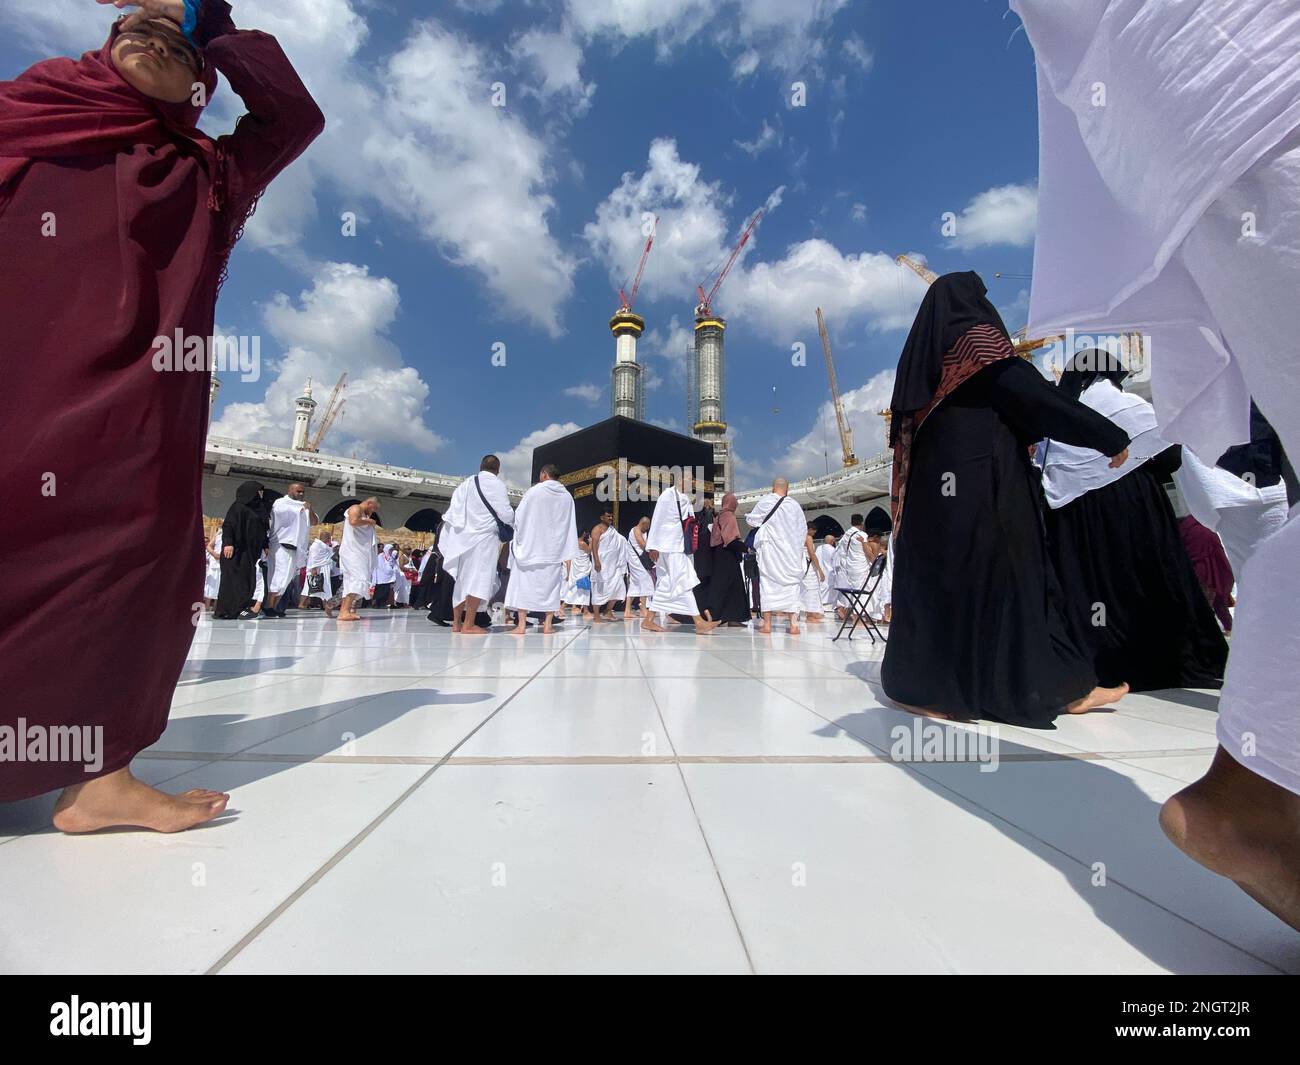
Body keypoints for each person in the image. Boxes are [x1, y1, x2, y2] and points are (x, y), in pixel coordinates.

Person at [0, 0, 324, 830]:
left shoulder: (206, 167)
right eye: (132, 30)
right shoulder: (32, 111)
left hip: (132, 410)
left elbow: (293, 116)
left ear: (198, 85)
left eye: (176, 46)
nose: (148, 40)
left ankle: (98, 777)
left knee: (125, 567)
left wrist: (207, 17)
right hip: (19, 379)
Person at [1012, 0, 1300, 929]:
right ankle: (1266, 794)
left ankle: (1268, 794)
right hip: (1241, 73)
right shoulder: (1101, 409)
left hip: (1181, 103)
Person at [881, 271, 1132, 725]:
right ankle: (1057, 687)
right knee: (1019, 579)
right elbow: (1029, 394)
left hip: (935, 501)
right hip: (984, 488)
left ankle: (923, 686)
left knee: (947, 588)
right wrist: (1106, 434)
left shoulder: (929, 364)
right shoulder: (976, 343)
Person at [1039, 349, 1228, 691]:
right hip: (1137, 507)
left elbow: (1052, 480)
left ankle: (1106, 664)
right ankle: (1162, 659)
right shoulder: (1128, 405)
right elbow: (1171, 456)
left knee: (1098, 585)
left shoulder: (1064, 417)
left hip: (1083, 518)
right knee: (1147, 577)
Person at [439, 455, 513, 635]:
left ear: (480, 466)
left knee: (462, 581)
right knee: (478, 580)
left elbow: (454, 510)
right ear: (497, 469)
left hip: (463, 538)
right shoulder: (497, 485)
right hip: (484, 538)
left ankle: (456, 623)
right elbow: (505, 514)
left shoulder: (465, 484)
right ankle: (469, 624)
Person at [642, 474, 720, 634]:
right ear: (680, 480)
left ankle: (648, 620)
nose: (692, 482)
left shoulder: (684, 497)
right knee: (684, 581)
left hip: (680, 546)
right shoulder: (668, 495)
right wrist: (652, 546)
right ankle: (699, 622)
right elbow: (657, 519)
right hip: (670, 547)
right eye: (689, 479)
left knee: (666, 583)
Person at [506, 464, 577, 635]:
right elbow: (568, 524)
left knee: (524, 586)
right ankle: (547, 626)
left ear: (544, 475)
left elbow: (520, 516)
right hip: (553, 550)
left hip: (531, 547)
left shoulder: (535, 491)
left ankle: (522, 625)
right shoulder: (567, 496)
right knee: (551, 589)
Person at [746, 477, 807, 635]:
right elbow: (802, 531)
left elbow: (752, 522)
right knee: (792, 586)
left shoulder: (766, 501)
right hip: (790, 555)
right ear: (787, 489)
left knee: (768, 585)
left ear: (773, 488)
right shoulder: (794, 506)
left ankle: (767, 625)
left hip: (771, 553)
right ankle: (793, 625)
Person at [213, 480, 268, 619]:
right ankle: (226, 611)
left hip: (250, 554)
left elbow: (263, 529)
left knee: (247, 581)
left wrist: (265, 544)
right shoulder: (238, 507)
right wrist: (228, 543)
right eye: (258, 491)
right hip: (235, 552)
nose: (260, 494)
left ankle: (240, 609)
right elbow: (229, 526)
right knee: (232, 581)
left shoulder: (260, 509)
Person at [1179, 514, 1235, 632]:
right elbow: (1219, 552)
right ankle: (1228, 628)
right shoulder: (1205, 527)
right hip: (1215, 572)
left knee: (1202, 607)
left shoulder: (1184, 531)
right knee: (1218, 603)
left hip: (1197, 574)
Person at [264, 483, 312, 618]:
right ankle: (268, 606)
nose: (301, 494)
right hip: (280, 546)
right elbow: (280, 514)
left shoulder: (304, 506)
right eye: (298, 491)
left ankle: (274, 607)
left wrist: (309, 509)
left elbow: (314, 521)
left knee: (286, 580)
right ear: (290, 490)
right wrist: (299, 509)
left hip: (296, 549)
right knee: (276, 578)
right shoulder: (281, 503)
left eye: (303, 492)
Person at [707, 493, 749, 625]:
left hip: (719, 554)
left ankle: (727, 617)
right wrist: (746, 548)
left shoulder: (719, 515)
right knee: (729, 586)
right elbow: (730, 539)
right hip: (727, 555)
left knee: (726, 586)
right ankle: (724, 617)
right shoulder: (729, 516)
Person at [338, 498, 380, 622]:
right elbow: (353, 521)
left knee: (354, 581)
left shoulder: (365, 514)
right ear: (370, 503)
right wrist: (369, 521)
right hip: (352, 552)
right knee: (358, 579)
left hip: (359, 553)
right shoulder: (356, 508)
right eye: (374, 508)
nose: (374, 511)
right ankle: (343, 612)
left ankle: (344, 610)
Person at [589, 511, 628, 622]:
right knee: (599, 589)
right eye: (608, 516)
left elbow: (620, 542)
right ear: (602, 517)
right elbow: (594, 547)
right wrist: (596, 561)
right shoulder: (597, 529)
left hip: (613, 566)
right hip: (601, 564)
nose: (611, 518)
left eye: (611, 516)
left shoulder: (612, 531)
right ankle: (596, 615)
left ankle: (608, 611)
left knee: (619, 588)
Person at [833, 514, 869, 619]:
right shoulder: (862, 535)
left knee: (850, 589)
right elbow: (866, 551)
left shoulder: (846, 534)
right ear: (862, 523)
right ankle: (856, 617)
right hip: (859, 565)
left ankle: (845, 610)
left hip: (847, 565)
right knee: (859, 590)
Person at [862, 507, 893, 623]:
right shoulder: (875, 545)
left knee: (876, 596)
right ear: (875, 537)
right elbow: (874, 559)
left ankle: (875, 616)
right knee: (880, 595)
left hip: (868, 573)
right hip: (877, 574)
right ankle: (882, 616)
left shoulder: (865, 544)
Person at [624, 516, 655, 621]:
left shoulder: (642, 531)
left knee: (634, 584)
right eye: (647, 527)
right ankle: (642, 609)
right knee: (646, 581)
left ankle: (627, 611)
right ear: (643, 524)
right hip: (636, 561)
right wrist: (653, 550)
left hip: (639, 561)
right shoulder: (636, 530)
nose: (647, 529)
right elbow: (642, 545)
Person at [303, 533, 338, 619]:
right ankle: (302, 604)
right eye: (329, 538)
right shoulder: (316, 546)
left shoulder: (323, 546)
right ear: (327, 538)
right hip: (319, 569)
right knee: (314, 589)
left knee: (325, 590)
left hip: (324, 569)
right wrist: (314, 569)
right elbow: (313, 558)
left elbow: (329, 554)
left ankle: (327, 608)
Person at [798, 523, 825, 624]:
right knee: (811, 588)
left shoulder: (798, 537)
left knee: (808, 588)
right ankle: (810, 614)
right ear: (809, 529)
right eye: (813, 530)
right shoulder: (808, 537)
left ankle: (811, 611)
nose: (814, 533)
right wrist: (820, 570)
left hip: (802, 565)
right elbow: (811, 553)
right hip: (809, 566)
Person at [564, 533, 594, 619]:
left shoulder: (572, 543)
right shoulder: (582, 543)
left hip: (577, 568)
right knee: (584, 589)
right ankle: (585, 611)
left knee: (579, 589)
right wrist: (591, 542)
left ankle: (585, 610)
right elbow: (589, 551)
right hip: (582, 569)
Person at [817, 533, 838, 616]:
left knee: (821, 588)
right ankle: (828, 605)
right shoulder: (833, 550)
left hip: (820, 572)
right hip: (829, 574)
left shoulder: (818, 548)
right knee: (829, 589)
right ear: (832, 541)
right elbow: (836, 562)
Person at [202, 526, 222, 610]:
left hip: (224, 564)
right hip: (215, 563)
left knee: (219, 586)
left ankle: (215, 608)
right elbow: (209, 546)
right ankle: (206, 607)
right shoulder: (218, 535)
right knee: (210, 586)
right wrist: (214, 554)